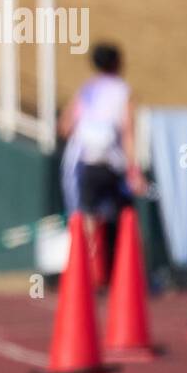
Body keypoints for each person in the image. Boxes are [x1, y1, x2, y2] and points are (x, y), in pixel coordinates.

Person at [59, 41, 144, 282]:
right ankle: (121, 275)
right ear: (118, 63)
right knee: (122, 221)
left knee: (86, 219)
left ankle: (82, 273)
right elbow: (128, 131)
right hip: (113, 165)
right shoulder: (122, 91)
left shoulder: (86, 90)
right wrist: (134, 170)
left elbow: (65, 126)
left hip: (87, 163)